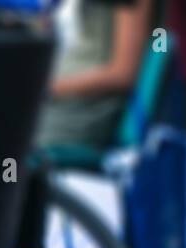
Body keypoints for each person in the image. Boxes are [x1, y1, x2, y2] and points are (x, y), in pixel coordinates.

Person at [35, 0, 154, 151]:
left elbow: (123, 74)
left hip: (86, 108)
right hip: (57, 99)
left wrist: (45, 88)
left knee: (9, 137)